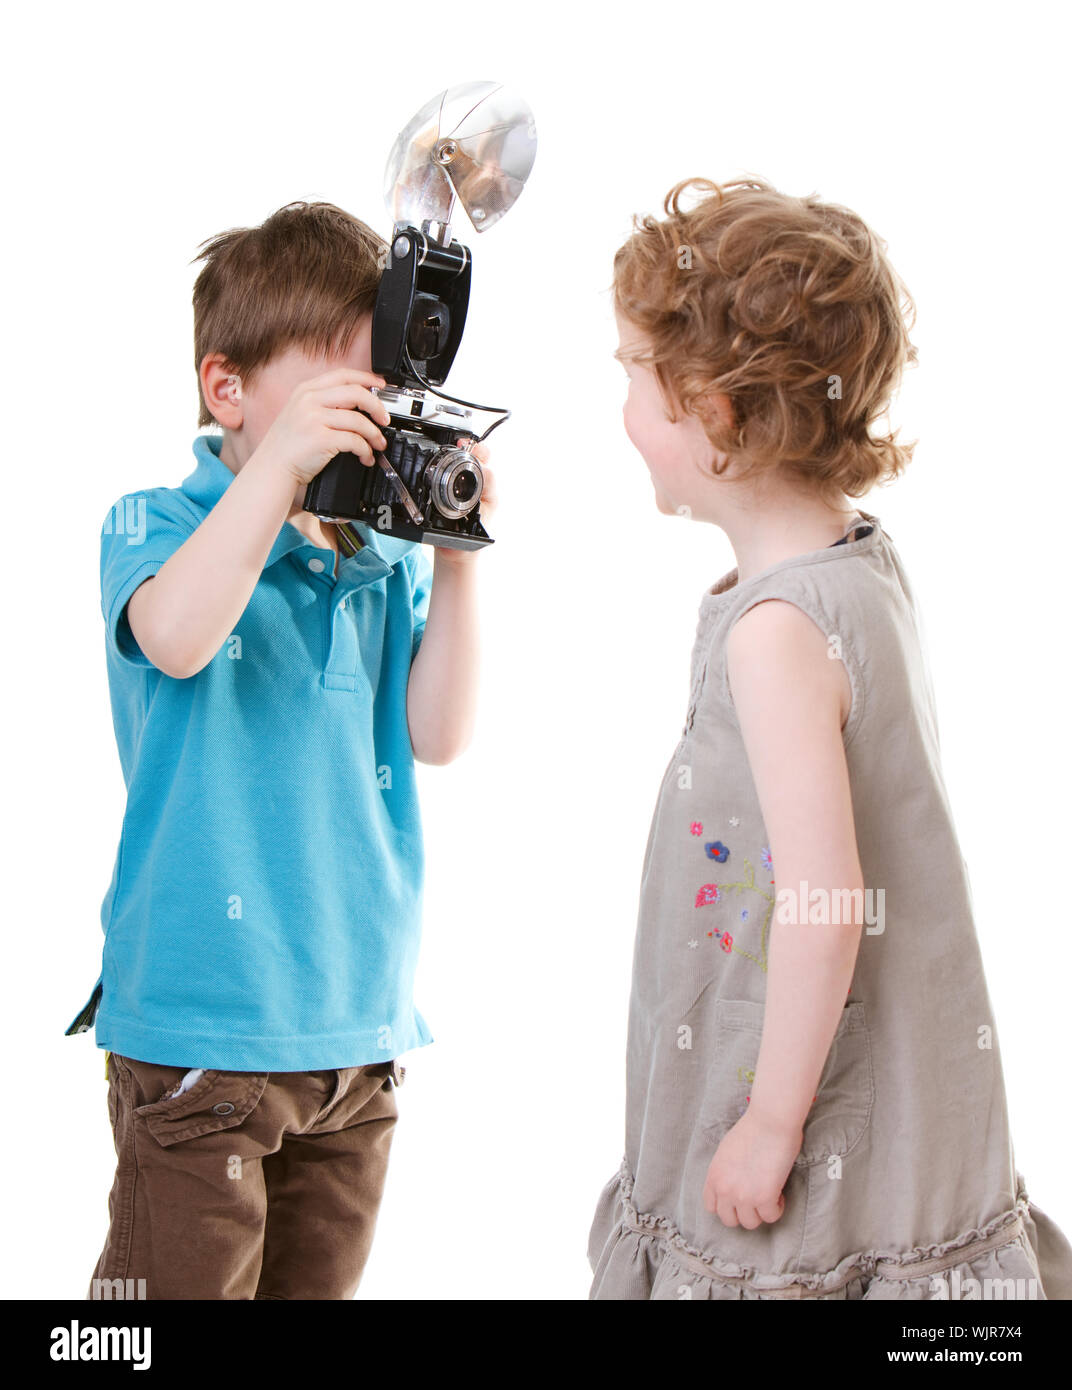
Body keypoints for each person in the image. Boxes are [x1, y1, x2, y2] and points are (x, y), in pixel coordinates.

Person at [587, 176, 1072, 1300]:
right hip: (875, 1070)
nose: (619, 411)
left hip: (805, 1088)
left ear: (710, 410)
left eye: (630, 378)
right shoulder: (861, 564)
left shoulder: (775, 633)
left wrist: (767, 1121)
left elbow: (823, 897)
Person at [66, 201, 495, 1300]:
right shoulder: (153, 524)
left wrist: (453, 555)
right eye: (335, 405)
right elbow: (176, 634)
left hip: (357, 1028)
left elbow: (439, 736)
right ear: (229, 390)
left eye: (380, 404)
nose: (365, 431)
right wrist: (276, 476)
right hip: (205, 1029)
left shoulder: (372, 554)